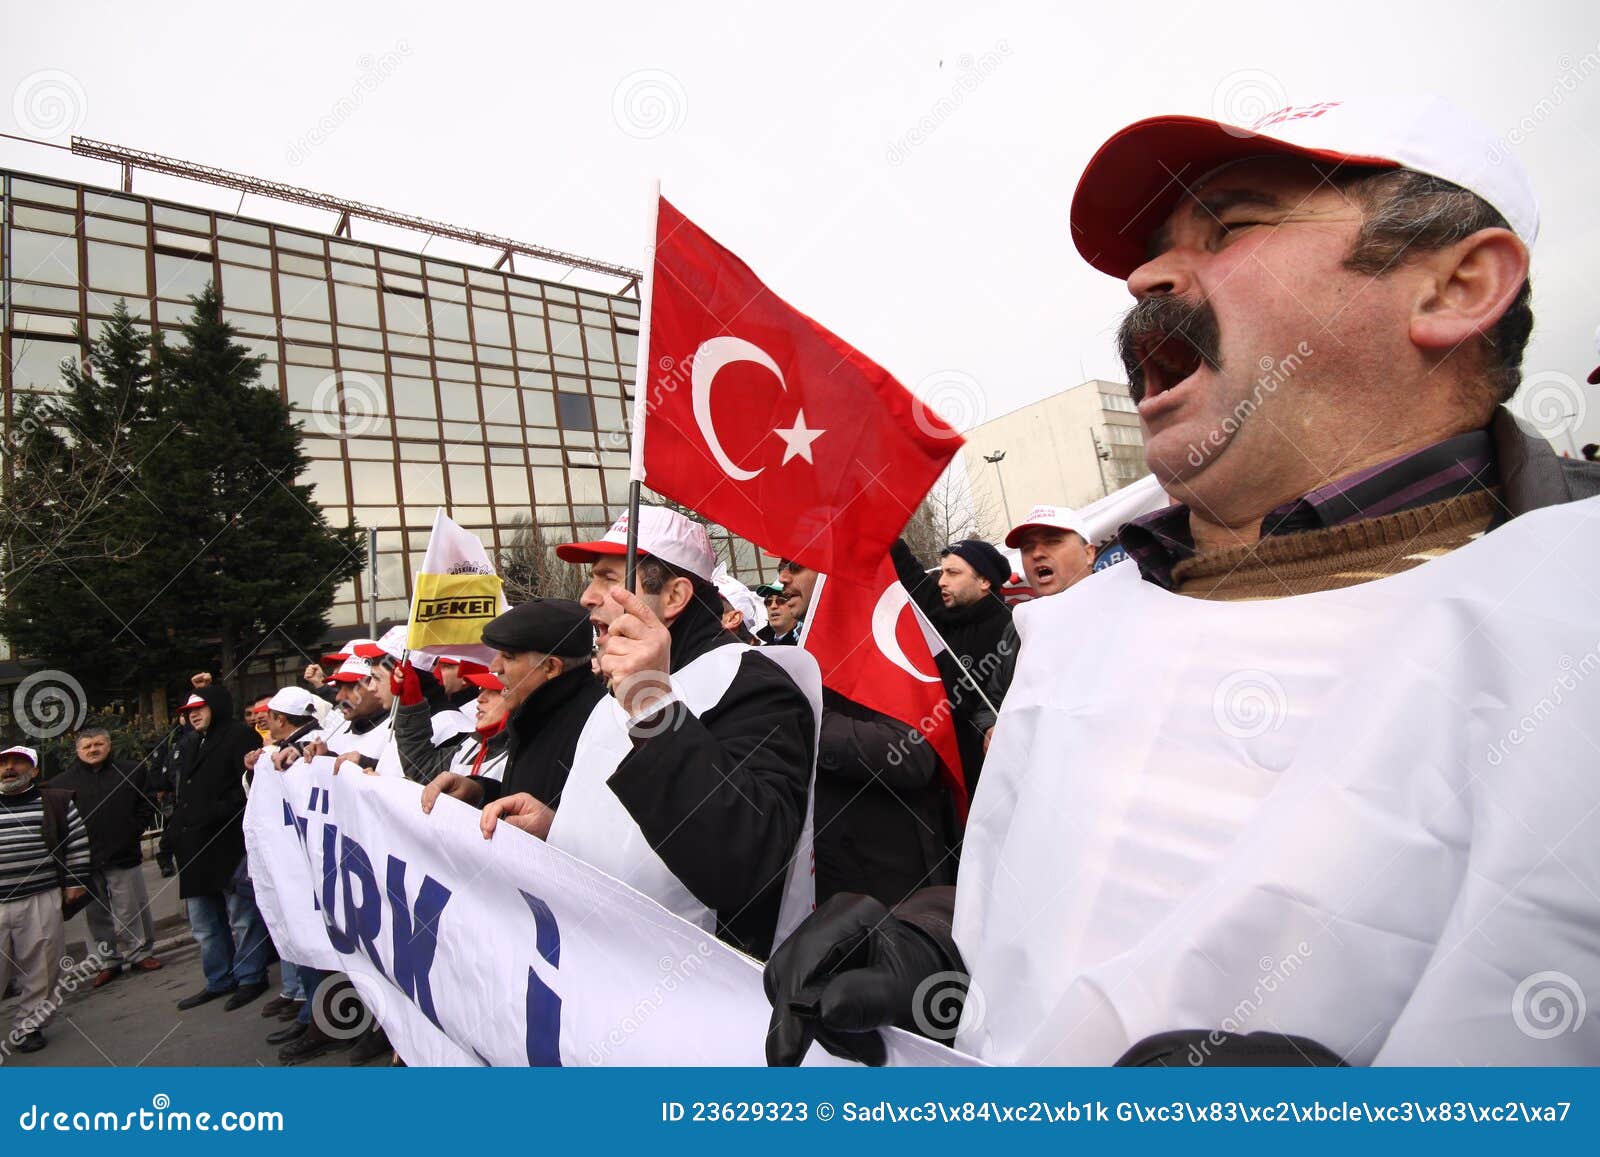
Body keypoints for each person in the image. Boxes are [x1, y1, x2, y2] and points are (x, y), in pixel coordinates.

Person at [764, 96, 1600, 1068]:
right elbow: (1043, 903)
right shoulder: (1074, 631)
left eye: (1231, 224)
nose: (1143, 277)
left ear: (1455, 286)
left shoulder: (1570, 619)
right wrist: (931, 951)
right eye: (1156, 245)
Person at [478, 507, 821, 961]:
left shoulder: (756, 685)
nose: (586, 597)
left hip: (684, 995)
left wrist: (654, 706)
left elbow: (743, 863)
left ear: (675, 595)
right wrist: (557, 825)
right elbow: (632, 832)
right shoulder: (614, 690)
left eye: (608, 578)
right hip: (591, 970)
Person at [778, 559, 959, 906]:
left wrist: (810, 717)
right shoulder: (809, 647)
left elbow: (912, 754)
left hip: (889, 889)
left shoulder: (876, 642)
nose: (783, 579)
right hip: (835, 881)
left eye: (797, 566)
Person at [419, 598, 602, 809]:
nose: (495, 667)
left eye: (508, 656)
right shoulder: (533, 715)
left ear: (551, 667)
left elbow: (597, 826)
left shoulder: (595, 724)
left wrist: (548, 827)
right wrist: (479, 792)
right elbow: (530, 797)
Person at [170, 684, 272, 1011]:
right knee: (204, 923)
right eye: (188, 711)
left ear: (216, 705)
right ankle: (219, 979)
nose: (193, 715)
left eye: (200, 708)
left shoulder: (240, 735)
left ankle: (250, 976)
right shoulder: (189, 743)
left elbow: (248, 789)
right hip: (194, 845)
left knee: (242, 917)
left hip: (229, 842)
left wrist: (210, 813)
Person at [890, 538, 1013, 792]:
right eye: (942, 571)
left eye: (953, 573)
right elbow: (909, 572)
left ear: (984, 581)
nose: (942, 581)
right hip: (941, 772)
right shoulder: (941, 611)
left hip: (991, 775)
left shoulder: (1012, 628)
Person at [47, 726, 163, 987]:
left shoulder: (132, 770)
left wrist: (131, 831)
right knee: (95, 916)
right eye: (87, 746)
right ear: (77, 751)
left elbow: (147, 804)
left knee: (132, 907)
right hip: (84, 862)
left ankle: (141, 953)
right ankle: (106, 962)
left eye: (98, 744)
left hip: (122, 853)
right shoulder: (60, 785)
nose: (93, 750)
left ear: (108, 745)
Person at [0, 745, 90, 1054]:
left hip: (41, 896)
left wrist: (75, 880)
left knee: (42, 966)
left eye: (18, 763)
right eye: (4, 763)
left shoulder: (54, 801)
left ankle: (29, 1027)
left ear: (34, 771)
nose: (9, 768)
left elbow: (76, 841)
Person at [248, 687, 330, 1024]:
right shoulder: (281, 751)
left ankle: (318, 1018)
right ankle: (310, 1011)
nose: (264, 724)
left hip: (307, 864)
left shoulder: (311, 746)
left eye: (268, 719)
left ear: (281, 719)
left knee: (313, 938)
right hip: (297, 862)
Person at [1004, 506, 1098, 597]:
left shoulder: (1111, 603)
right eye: (1028, 547)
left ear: (1088, 554)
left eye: (1052, 542)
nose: (1037, 554)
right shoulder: (1024, 613)